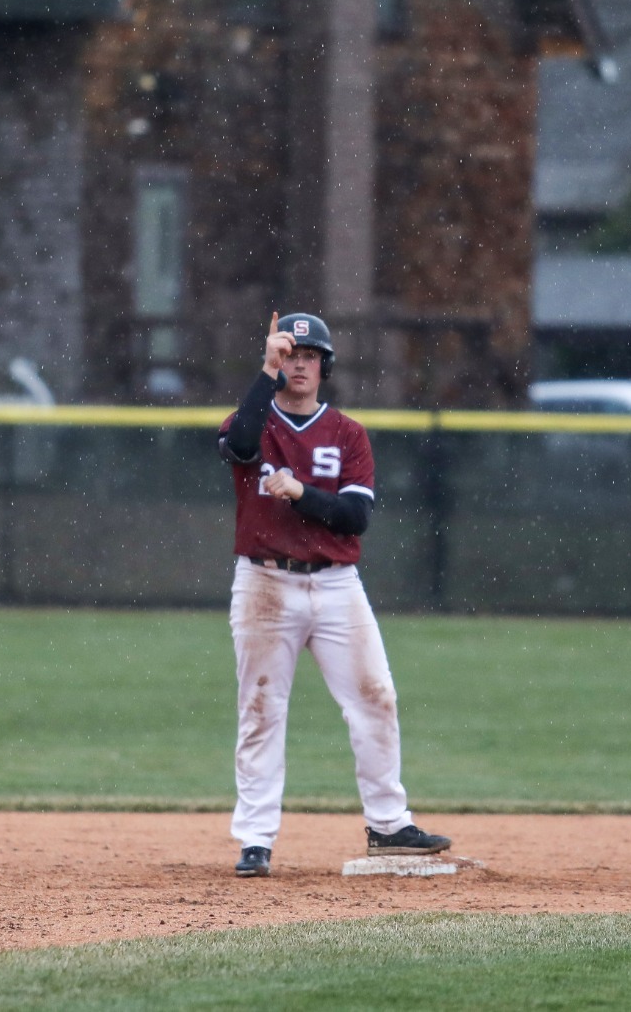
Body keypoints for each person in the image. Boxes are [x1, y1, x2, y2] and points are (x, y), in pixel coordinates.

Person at [217, 311, 451, 878]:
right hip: (265, 582)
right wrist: (265, 371)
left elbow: (355, 516)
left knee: (376, 698)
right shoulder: (255, 418)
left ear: (324, 366)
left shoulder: (346, 433)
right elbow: (238, 445)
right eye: (289, 356)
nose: (299, 365)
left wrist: (301, 493)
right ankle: (255, 840)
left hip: (336, 584)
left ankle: (389, 824)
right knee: (261, 709)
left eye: (309, 356)